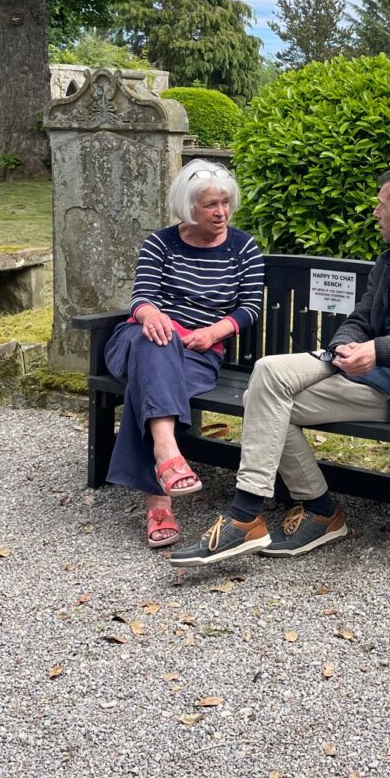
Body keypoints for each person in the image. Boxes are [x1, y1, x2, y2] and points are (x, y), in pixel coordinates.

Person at [170, 166, 390, 568]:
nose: (375, 212)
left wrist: (380, 351)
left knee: (262, 399)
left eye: (381, 205)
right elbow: (361, 319)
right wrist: (343, 345)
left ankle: (266, 514)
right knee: (266, 378)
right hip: (357, 373)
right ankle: (302, 512)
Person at [104, 160, 264, 548]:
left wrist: (214, 332)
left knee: (151, 385)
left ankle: (159, 501)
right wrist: (151, 315)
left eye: (225, 202)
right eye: (211, 204)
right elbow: (141, 298)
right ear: (188, 206)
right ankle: (168, 454)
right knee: (155, 343)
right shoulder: (160, 243)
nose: (221, 212)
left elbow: (250, 307)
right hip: (138, 341)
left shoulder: (243, 247)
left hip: (197, 352)